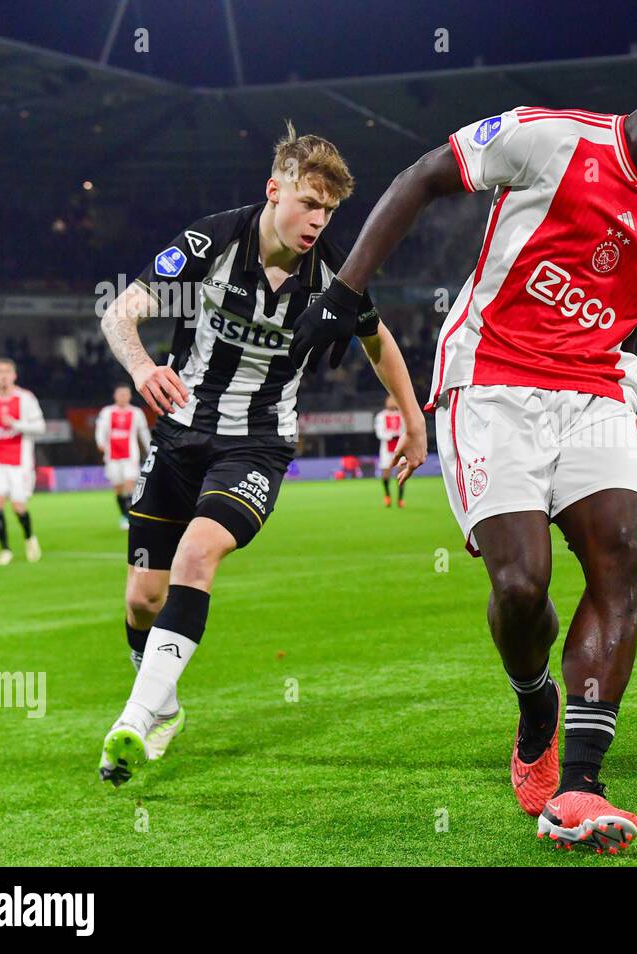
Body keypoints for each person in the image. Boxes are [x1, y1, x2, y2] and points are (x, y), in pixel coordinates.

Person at [287, 55, 637, 853]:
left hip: (596, 391)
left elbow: (632, 323)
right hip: (491, 378)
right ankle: (538, 712)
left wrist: (617, 399)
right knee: (522, 584)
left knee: (622, 552)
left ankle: (582, 784)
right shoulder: (549, 138)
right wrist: (347, 290)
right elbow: (426, 175)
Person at [95, 122, 426, 786]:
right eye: (308, 202)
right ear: (275, 190)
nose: (317, 220)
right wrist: (139, 367)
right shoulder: (210, 240)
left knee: (198, 553)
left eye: (329, 209)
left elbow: (376, 338)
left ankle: (132, 719)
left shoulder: (335, 271)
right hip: (179, 436)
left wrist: (414, 420)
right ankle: (162, 704)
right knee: (141, 598)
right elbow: (120, 312)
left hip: (259, 445)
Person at [0, 358, 44, 565]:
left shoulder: (25, 398)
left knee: (18, 506)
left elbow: (40, 427)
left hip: (20, 462)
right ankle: (5, 550)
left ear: (14, 375)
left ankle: (29, 537)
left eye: (7, 372)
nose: (3, 376)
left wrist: (15, 423)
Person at [96, 385, 151, 530]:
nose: (123, 397)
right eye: (120, 394)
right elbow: (100, 429)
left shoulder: (136, 412)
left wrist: (150, 449)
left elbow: (143, 432)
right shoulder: (107, 412)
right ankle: (124, 515)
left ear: (129, 396)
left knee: (129, 484)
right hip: (112, 455)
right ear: (115, 396)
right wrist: (100, 442)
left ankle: (132, 515)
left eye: (125, 394)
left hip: (130, 455)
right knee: (118, 487)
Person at [374, 394, 407, 507]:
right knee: (386, 474)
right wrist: (390, 436)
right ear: (386, 402)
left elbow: (405, 430)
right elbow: (379, 433)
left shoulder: (402, 415)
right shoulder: (381, 416)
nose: (391, 402)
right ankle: (387, 495)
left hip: (400, 448)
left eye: (393, 400)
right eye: (389, 400)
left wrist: (400, 435)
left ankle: (400, 499)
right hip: (386, 449)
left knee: (402, 473)